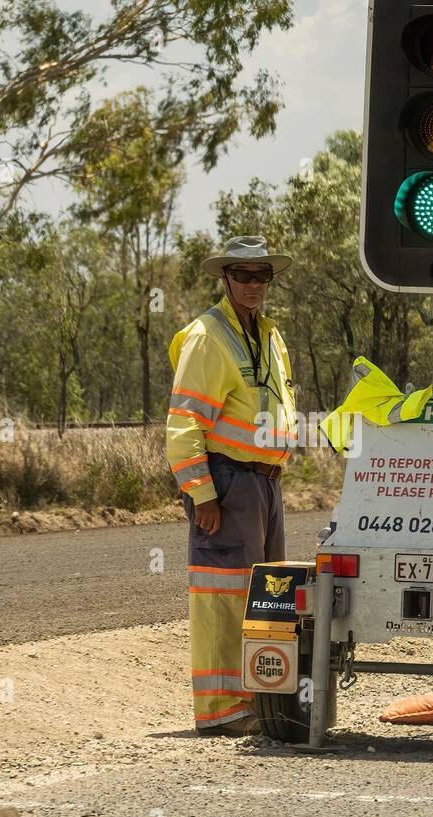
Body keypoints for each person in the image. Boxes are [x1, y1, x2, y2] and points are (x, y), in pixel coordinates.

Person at [166, 236, 297, 737]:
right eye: (242, 276)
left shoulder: (270, 335)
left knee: (265, 594)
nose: (252, 285)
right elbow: (184, 423)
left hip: (265, 482)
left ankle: (255, 698)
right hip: (226, 479)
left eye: (261, 276)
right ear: (225, 279)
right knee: (222, 595)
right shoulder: (207, 335)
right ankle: (220, 709)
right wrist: (202, 493)